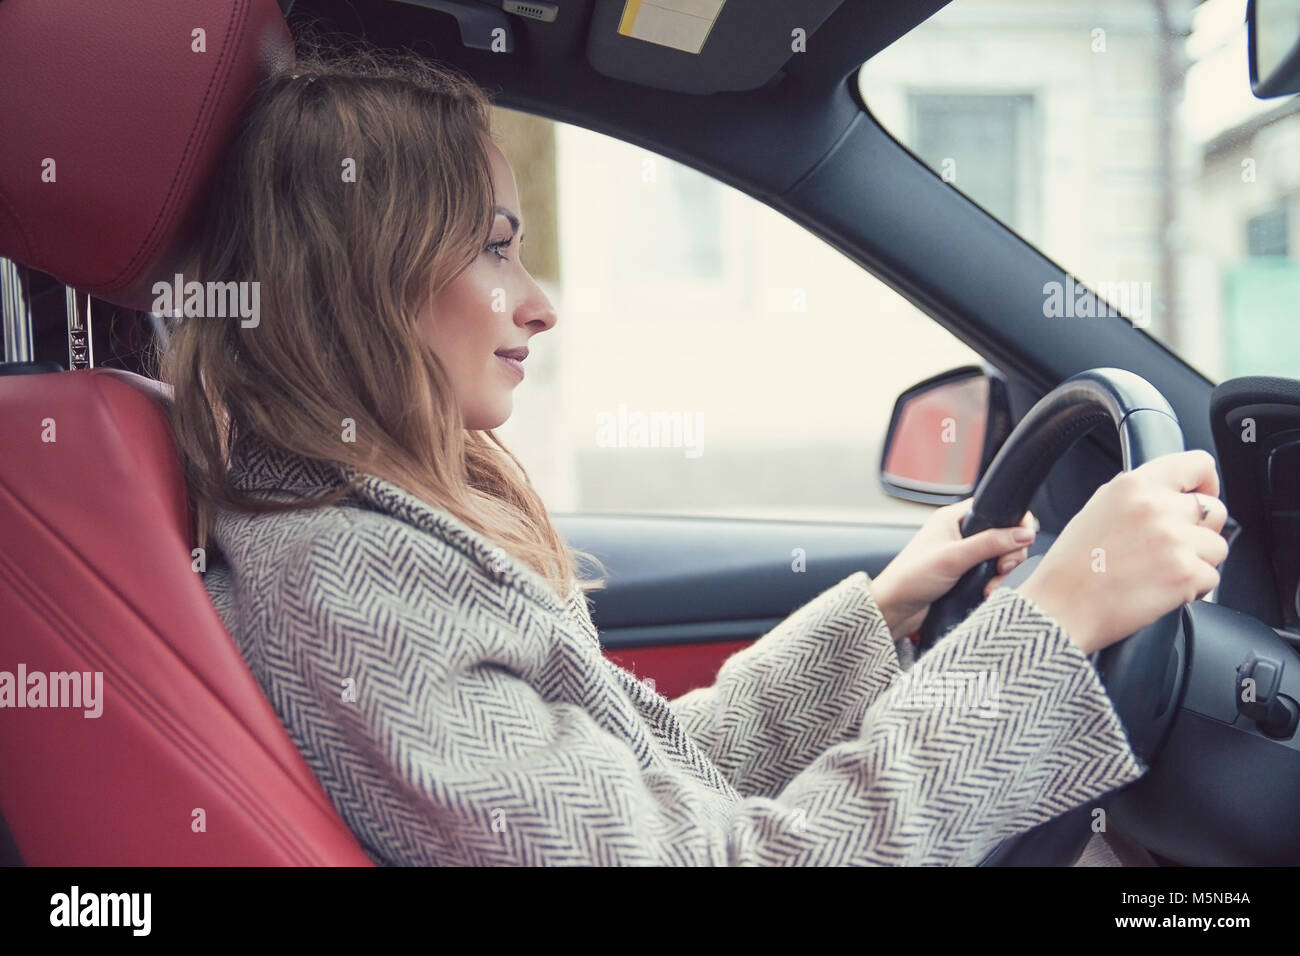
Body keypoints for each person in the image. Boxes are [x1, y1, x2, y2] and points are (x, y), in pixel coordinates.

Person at [158, 39, 1229, 866]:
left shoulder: (363, 529)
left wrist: (886, 607)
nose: (538, 304)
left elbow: (656, 776)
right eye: (493, 246)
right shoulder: (351, 581)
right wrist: (1054, 623)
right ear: (363, 279)